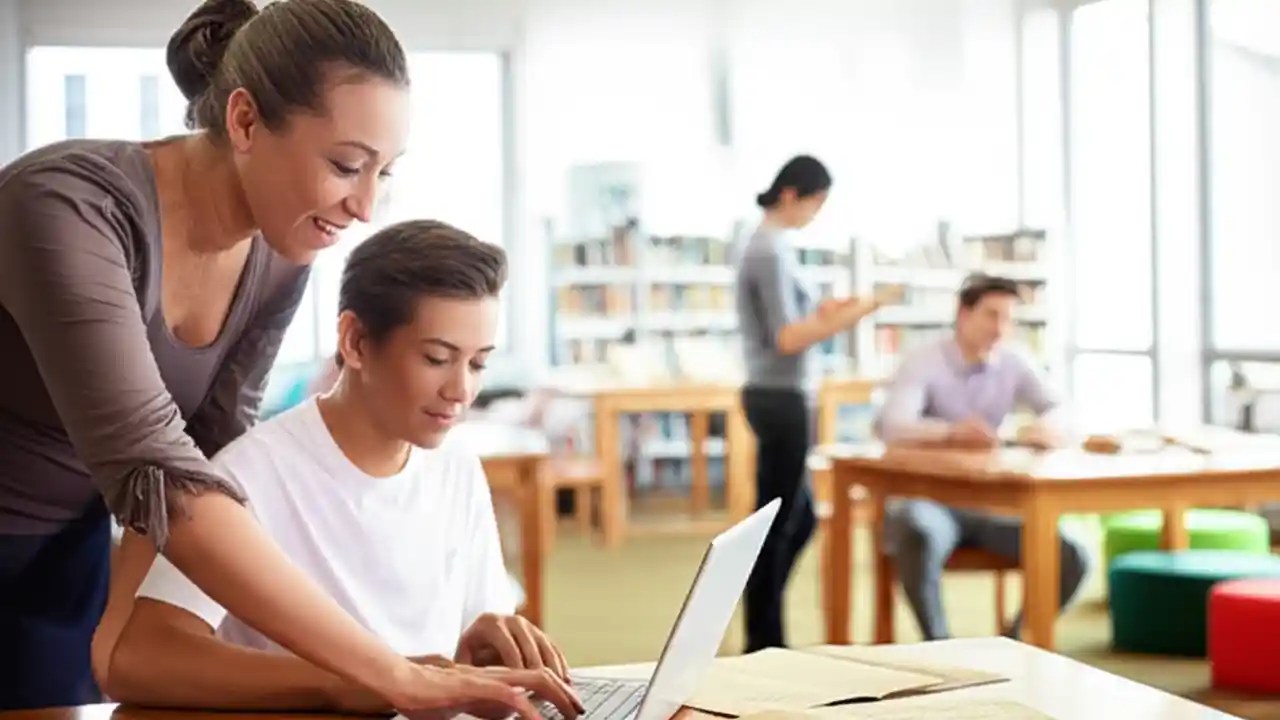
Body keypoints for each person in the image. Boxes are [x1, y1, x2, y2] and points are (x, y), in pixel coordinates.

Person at [0, 1, 568, 715]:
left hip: (63, 534)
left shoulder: (280, 242)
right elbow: (158, 469)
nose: (365, 206)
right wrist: (391, 674)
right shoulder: (67, 209)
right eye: (346, 165)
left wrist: (141, 629)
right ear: (243, 122)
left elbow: (214, 448)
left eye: (383, 172)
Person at [90, 221, 580, 716]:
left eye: (477, 365)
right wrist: (347, 683)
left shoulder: (457, 467)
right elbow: (143, 658)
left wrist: (481, 651)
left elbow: (445, 664)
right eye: (437, 358)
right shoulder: (250, 474)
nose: (460, 391)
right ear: (356, 342)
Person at [874, 273, 1092, 641]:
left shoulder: (1014, 361)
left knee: (1073, 555)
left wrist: (1047, 428)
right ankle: (940, 647)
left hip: (994, 505)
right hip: (931, 501)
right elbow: (891, 426)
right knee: (917, 530)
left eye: (1008, 319)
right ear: (963, 313)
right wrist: (950, 432)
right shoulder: (923, 360)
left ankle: (1011, 643)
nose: (1000, 328)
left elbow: (1060, 409)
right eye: (992, 315)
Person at [733, 155, 883, 652]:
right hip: (779, 394)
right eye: (816, 204)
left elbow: (791, 323)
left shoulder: (769, 246)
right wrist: (849, 318)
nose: (815, 215)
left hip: (779, 391)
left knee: (796, 518)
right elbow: (788, 337)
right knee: (777, 524)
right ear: (793, 194)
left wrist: (825, 313)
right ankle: (762, 639)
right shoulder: (769, 250)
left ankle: (763, 624)